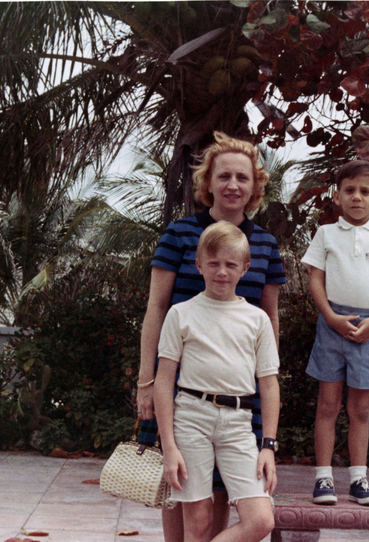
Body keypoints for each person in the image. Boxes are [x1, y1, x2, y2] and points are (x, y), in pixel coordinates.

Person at [137, 132, 286, 541]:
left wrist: (265, 376)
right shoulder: (180, 235)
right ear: (209, 182)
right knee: (183, 493)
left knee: (225, 494)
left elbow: (269, 316)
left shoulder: (266, 245)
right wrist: (145, 381)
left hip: (238, 388)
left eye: (242, 177)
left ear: (255, 185)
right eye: (224, 176)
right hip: (181, 387)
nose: (233, 185)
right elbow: (156, 308)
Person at [154, 221, 279, 542]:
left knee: (261, 521)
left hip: (238, 423)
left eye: (230, 264)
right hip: (191, 418)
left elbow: (269, 384)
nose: (221, 272)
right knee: (197, 524)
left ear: (245, 268)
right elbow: (164, 382)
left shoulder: (257, 319)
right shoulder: (181, 314)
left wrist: (268, 445)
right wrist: (169, 446)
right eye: (213, 263)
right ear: (198, 265)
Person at [301, 160, 369, 506]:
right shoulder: (326, 233)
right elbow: (316, 278)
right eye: (349, 190)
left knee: (360, 409)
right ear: (337, 195)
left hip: (368, 327)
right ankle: (323, 479)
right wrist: (330, 316)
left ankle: (359, 480)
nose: (356, 197)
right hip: (332, 325)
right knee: (328, 405)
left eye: (365, 191)